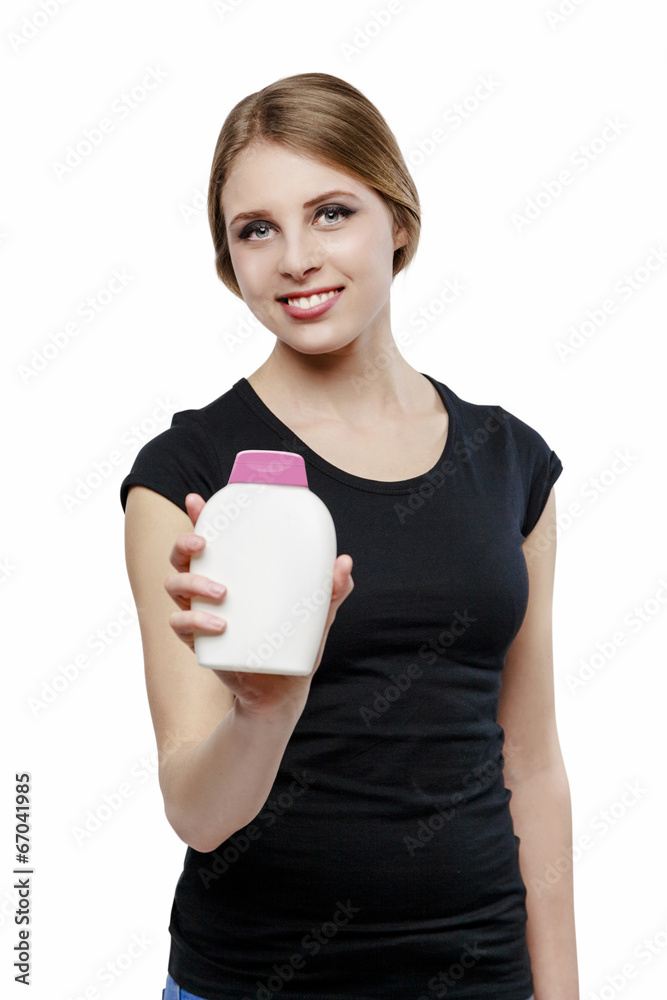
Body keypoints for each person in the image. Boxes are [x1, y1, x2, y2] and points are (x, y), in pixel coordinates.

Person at [121, 72, 579, 1000]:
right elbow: (197, 815)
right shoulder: (188, 475)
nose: (295, 258)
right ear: (230, 261)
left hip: (481, 977)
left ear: (396, 221)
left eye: (330, 213)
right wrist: (264, 710)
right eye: (256, 230)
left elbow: (531, 763)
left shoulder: (509, 462)